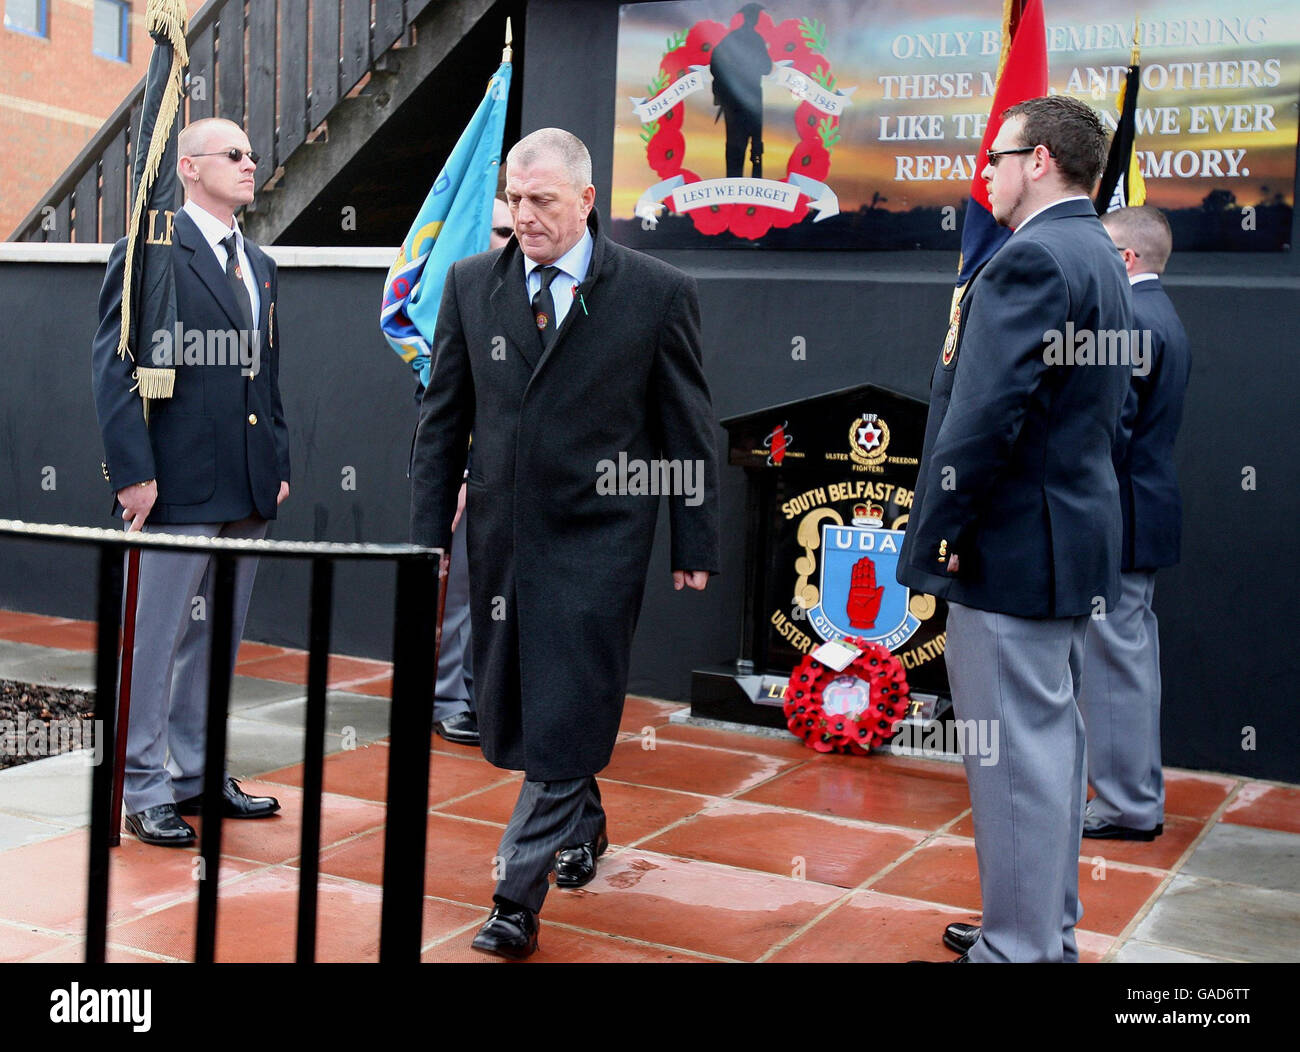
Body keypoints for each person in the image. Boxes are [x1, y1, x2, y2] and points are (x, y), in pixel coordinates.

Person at [409, 128, 719, 958]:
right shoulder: (472, 285)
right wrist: (424, 538)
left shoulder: (656, 291)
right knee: (513, 711)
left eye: (541, 200)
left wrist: (694, 535)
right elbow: (443, 420)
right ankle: (583, 818)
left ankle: (516, 896)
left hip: (601, 542)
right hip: (503, 543)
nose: (524, 215)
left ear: (586, 200)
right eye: (514, 199)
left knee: (569, 701)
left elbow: (687, 427)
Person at [897, 95, 1133, 962]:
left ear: (1039, 161)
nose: (983, 172)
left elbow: (983, 419)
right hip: (1062, 538)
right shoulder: (1097, 251)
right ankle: (1037, 925)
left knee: (1014, 761)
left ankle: (1023, 946)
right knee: (1048, 753)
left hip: (1009, 547)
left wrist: (932, 542)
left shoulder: (1030, 261)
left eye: (995, 155)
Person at [91, 117, 289, 847]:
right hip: (173, 486)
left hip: (247, 487)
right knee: (154, 640)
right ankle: (142, 786)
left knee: (216, 640)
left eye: (252, 151)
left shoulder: (260, 264)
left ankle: (198, 773)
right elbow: (113, 368)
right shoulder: (149, 253)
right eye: (233, 153)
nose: (249, 162)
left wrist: (280, 462)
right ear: (189, 168)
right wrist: (133, 474)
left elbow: (266, 375)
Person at [1078, 205, 1190, 841]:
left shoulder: (1131, 322)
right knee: (1128, 663)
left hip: (1118, 515)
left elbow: (1107, 435)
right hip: (1141, 511)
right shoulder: (1161, 314)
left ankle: (1125, 807)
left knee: (1115, 668)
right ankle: (1133, 797)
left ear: (1125, 261)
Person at [426, 198, 516, 748]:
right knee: (456, 596)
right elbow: (442, 401)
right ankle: (445, 700)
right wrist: (458, 470)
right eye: (500, 229)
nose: (511, 239)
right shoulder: (461, 292)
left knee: (493, 595)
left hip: (507, 475)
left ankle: (482, 694)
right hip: (462, 471)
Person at [711, 3, 771, 179]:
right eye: (755, 15)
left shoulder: (734, 38)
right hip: (745, 101)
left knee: (738, 147)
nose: (757, 18)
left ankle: (736, 185)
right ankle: (739, 188)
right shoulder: (753, 39)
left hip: (739, 101)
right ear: (750, 17)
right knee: (747, 147)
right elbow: (766, 67)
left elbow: (766, 68)